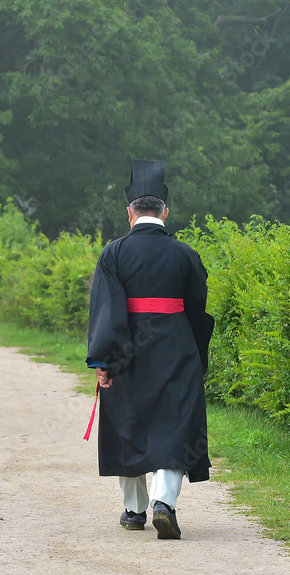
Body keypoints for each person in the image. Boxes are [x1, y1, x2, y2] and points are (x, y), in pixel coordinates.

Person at [86, 159, 214, 540]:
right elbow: (197, 310)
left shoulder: (113, 254)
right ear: (165, 213)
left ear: (129, 213)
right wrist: (195, 358)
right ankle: (164, 503)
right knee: (175, 427)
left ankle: (134, 509)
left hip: (128, 356)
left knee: (129, 426)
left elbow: (106, 310)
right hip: (177, 353)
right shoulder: (186, 254)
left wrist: (104, 360)